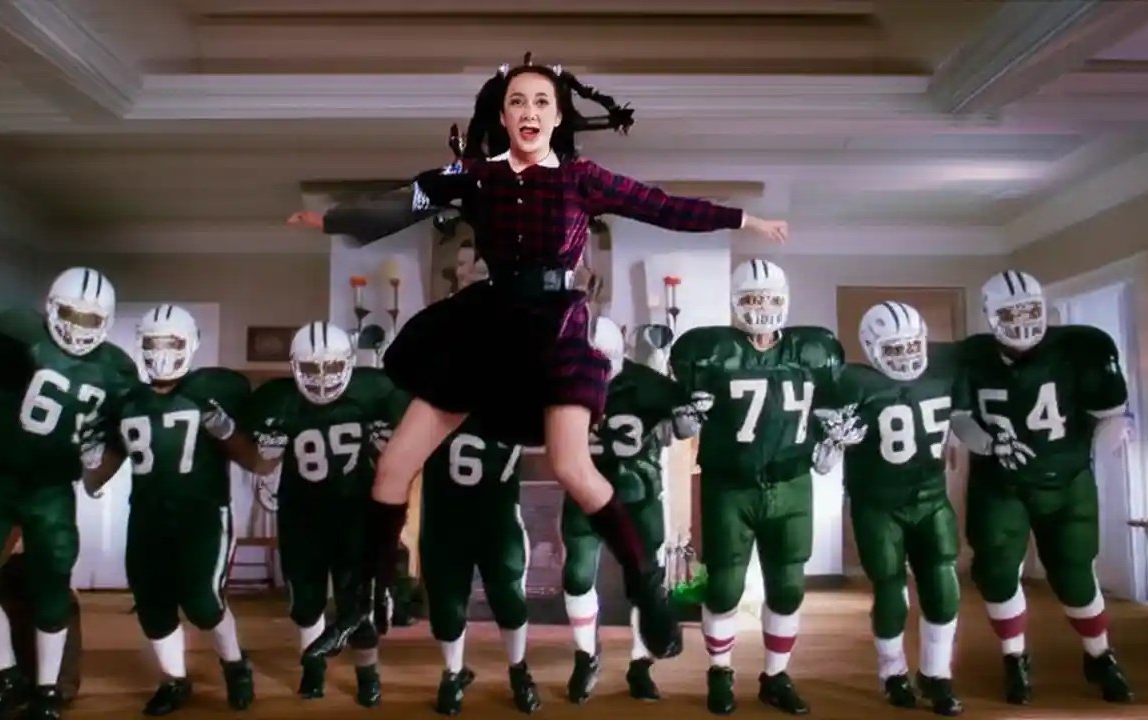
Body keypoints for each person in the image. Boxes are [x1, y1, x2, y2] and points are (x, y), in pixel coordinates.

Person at [290, 54, 788, 663]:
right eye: (518, 102)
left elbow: (663, 207)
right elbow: (408, 200)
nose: (529, 112)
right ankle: (361, 609)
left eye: (541, 102)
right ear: (502, 115)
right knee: (394, 465)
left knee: (573, 467)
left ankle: (647, 590)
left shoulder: (583, 178)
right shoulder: (474, 174)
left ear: (558, 116)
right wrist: (330, 222)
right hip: (485, 326)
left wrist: (746, 219)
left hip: (555, 327)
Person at [0, 267, 141, 720]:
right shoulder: (10, 333)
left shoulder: (116, 370)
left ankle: (48, 691)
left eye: (90, 319)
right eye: (70, 314)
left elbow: (117, 445)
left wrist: (98, 467)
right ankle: (6, 676)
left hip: (51, 486)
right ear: (50, 308)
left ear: (107, 322)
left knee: (51, 583)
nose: (77, 326)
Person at [949, 270, 1133, 705]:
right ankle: (1014, 657)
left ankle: (1099, 655)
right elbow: (959, 420)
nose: (1022, 320)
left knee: (1074, 572)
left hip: (1066, 481)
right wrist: (992, 444)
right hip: (1001, 483)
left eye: (1030, 310)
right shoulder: (972, 356)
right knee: (996, 572)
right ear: (991, 316)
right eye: (1012, 313)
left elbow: (1111, 413)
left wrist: (1111, 435)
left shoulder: (1079, 347)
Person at [668, 259, 843, 716]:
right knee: (723, 586)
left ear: (785, 301)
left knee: (787, 587)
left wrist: (833, 442)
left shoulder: (812, 352)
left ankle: (776, 675)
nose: (762, 308)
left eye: (770, 299)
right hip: (730, 485)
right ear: (735, 303)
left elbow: (826, 415)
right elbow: (683, 426)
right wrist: (688, 417)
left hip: (791, 484)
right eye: (752, 299)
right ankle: (721, 672)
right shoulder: (712, 352)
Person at [80, 304, 265, 715]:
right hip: (146, 516)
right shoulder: (127, 400)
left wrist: (226, 429)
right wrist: (90, 457)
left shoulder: (212, 389)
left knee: (203, 601)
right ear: (141, 345)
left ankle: (236, 665)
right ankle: (175, 680)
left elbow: (253, 460)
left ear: (191, 343)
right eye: (153, 344)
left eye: (171, 343)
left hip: (202, 515)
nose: (161, 352)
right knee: (152, 603)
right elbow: (97, 478)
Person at [242, 321, 410, 708]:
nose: (321, 378)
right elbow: (260, 461)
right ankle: (313, 666)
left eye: (332, 368)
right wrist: (266, 451)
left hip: (355, 513)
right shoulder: (277, 399)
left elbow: (400, 450)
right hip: (302, 514)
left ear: (349, 364)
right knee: (306, 600)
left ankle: (368, 673)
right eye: (312, 369)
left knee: (357, 601)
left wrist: (387, 443)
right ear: (294, 366)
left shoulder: (374, 392)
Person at [816, 302, 963, 715]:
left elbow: (968, 422)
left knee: (943, 586)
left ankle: (937, 675)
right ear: (873, 348)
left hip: (932, 498)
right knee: (890, 590)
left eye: (912, 345)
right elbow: (821, 461)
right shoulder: (849, 382)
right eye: (894, 349)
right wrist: (835, 440)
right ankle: (892, 673)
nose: (907, 356)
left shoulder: (943, 370)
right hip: (877, 505)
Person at [561, 317, 709, 704]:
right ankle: (586, 656)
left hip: (638, 495)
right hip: (584, 491)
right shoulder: (561, 378)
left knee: (645, 583)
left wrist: (686, 419)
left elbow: (684, 427)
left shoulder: (649, 382)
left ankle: (640, 664)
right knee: (577, 575)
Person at [419, 417, 539, 715]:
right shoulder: (430, 401)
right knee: (446, 608)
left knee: (510, 602)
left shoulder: (516, 401)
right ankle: (452, 673)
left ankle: (518, 669)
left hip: (497, 522)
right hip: (444, 524)